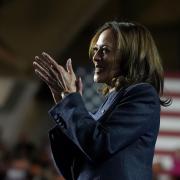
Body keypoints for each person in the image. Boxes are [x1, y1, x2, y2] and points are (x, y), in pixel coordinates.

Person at [33, 21, 170, 180]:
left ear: (130, 55)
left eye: (105, 50)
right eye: (96, 50)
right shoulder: (110, 103)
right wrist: (63, 103)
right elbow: (73, 165)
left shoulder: (143, 95)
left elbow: (99, 145)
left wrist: (70, 99)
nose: (96, 57)